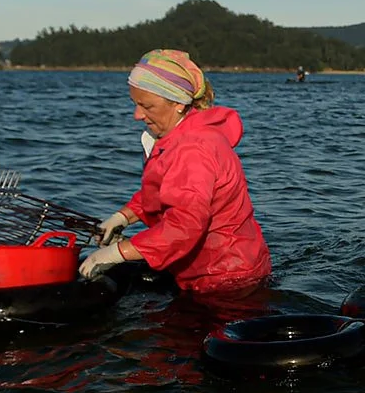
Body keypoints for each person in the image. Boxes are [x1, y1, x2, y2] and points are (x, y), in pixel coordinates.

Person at [78, 49, 272, 295]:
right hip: (219, 267)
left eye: (146, 106)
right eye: (135, 104)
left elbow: (184, 226)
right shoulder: (181, 135)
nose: (137, 115)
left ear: (178, 103)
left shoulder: (193, 149)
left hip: (225, 279)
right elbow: (165, 190)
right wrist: (123, 217)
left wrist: (116, 253)